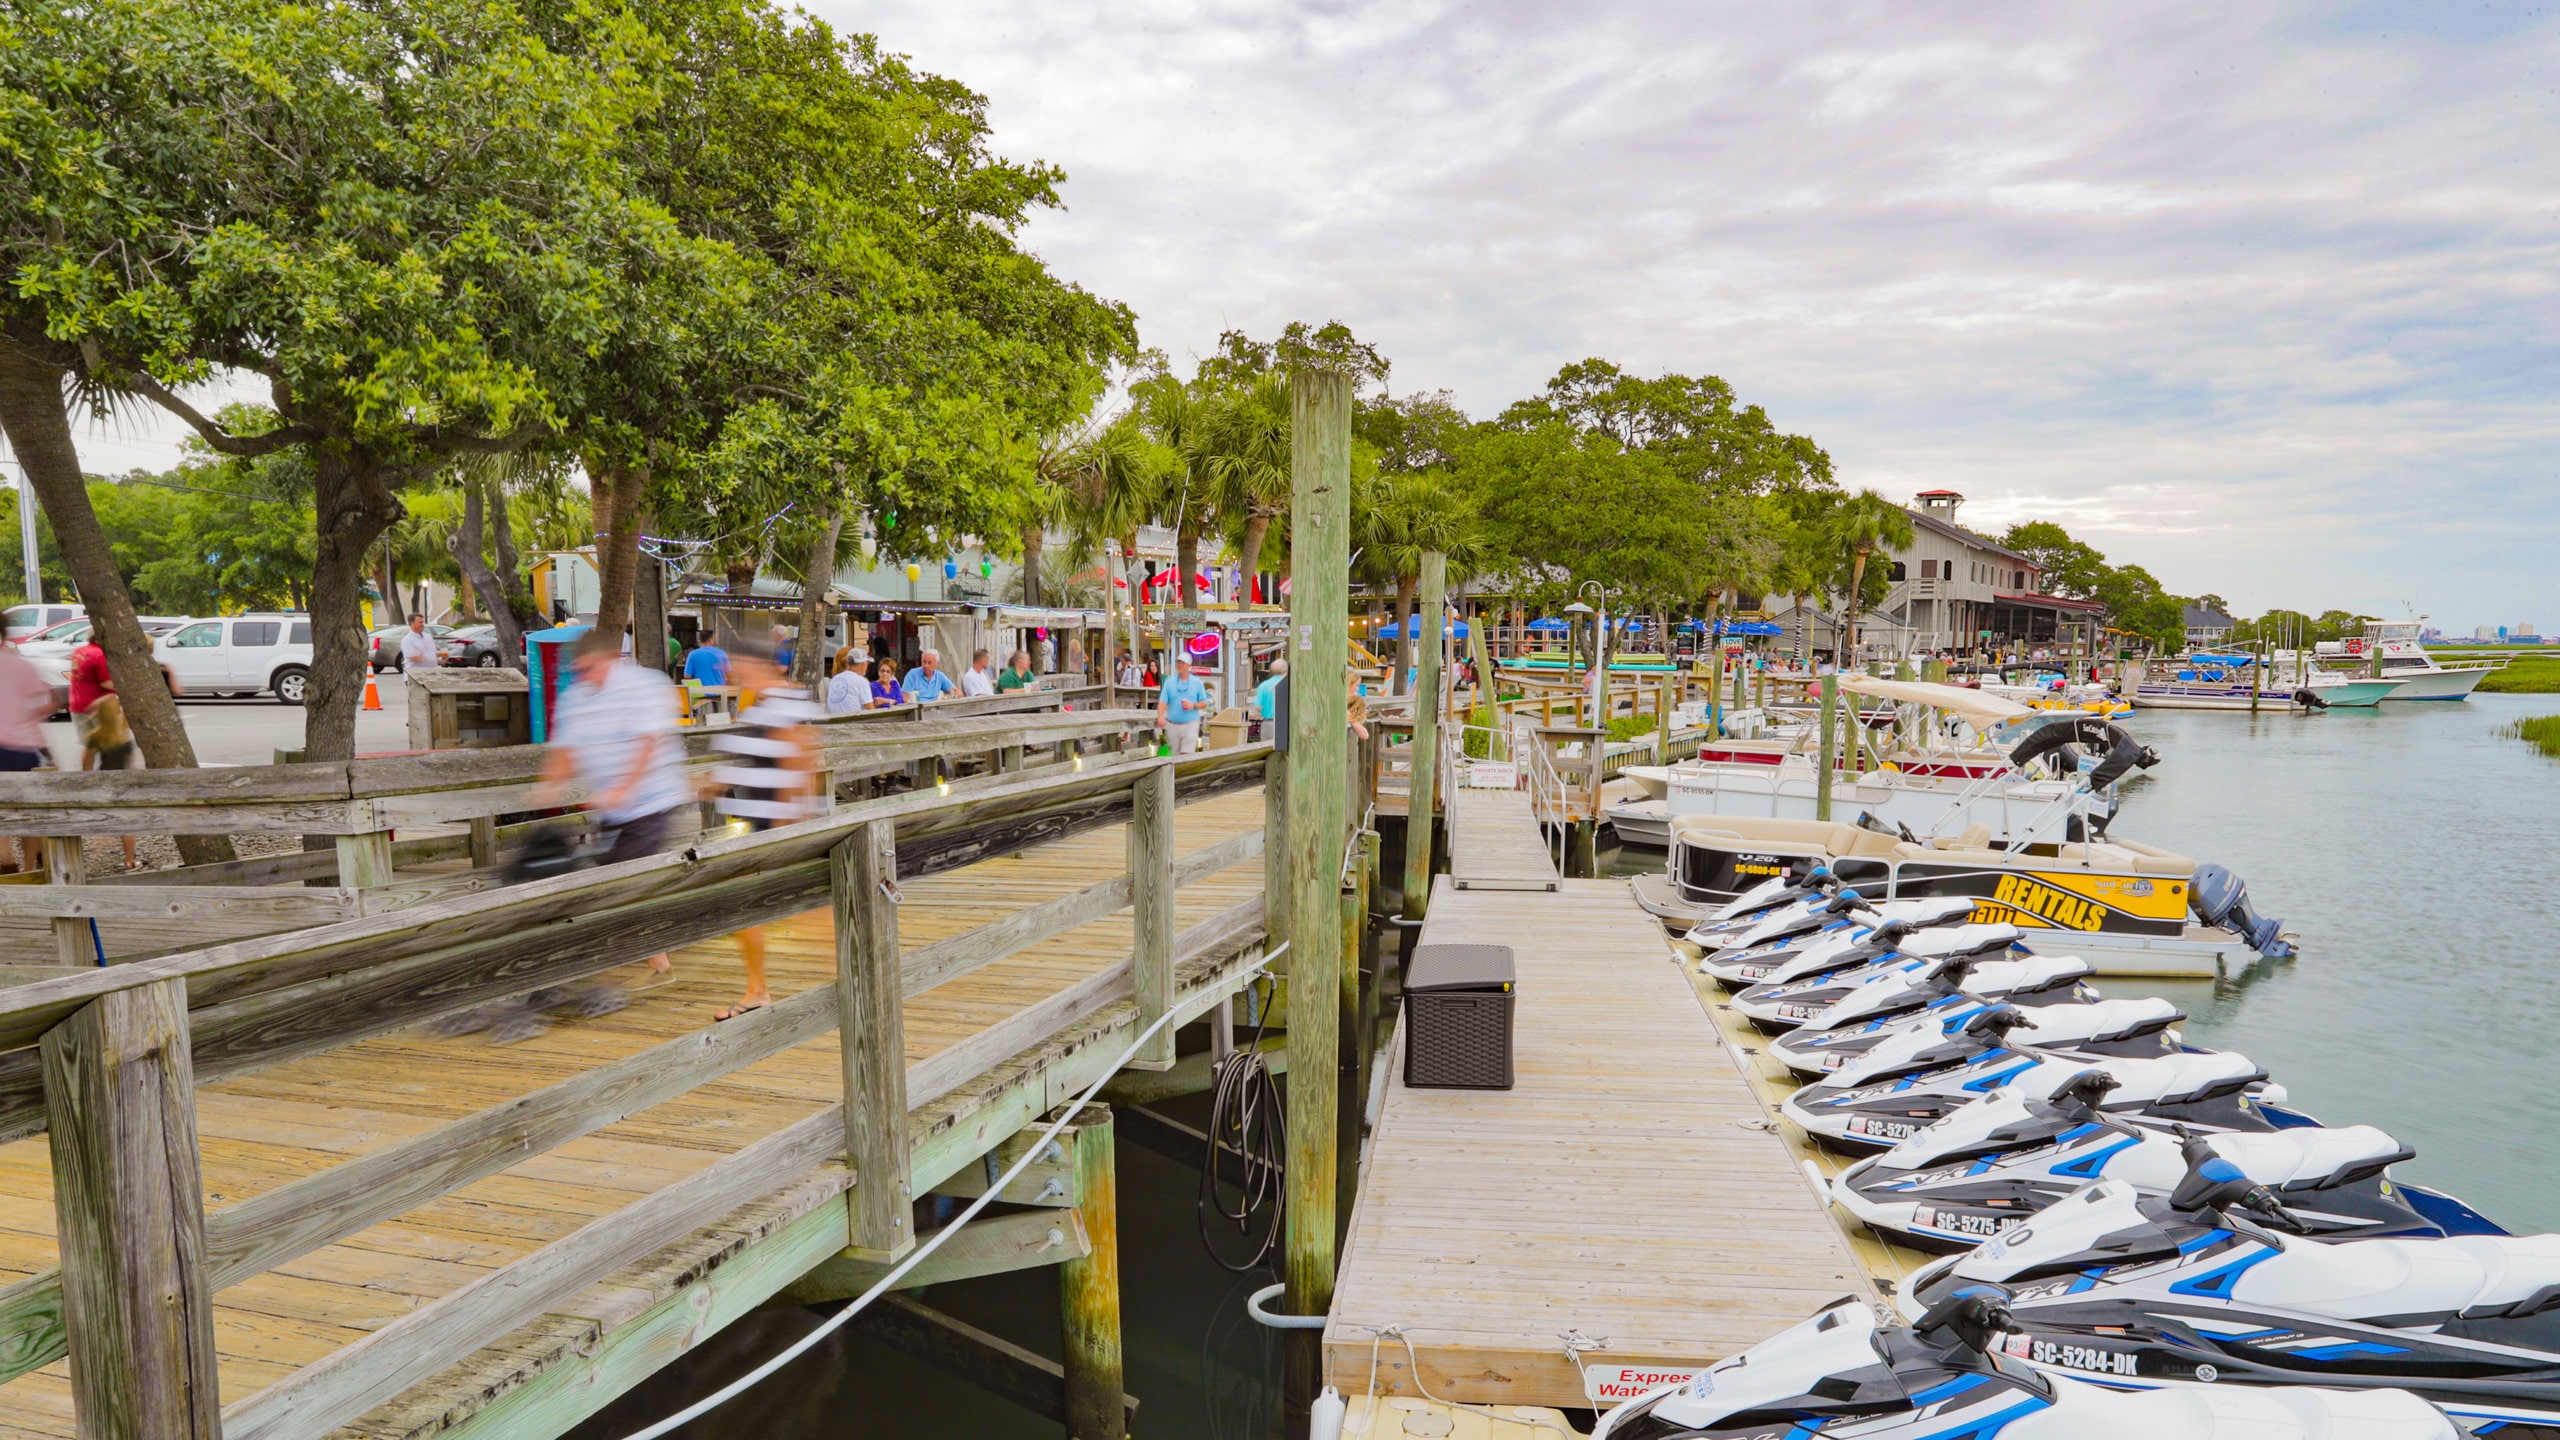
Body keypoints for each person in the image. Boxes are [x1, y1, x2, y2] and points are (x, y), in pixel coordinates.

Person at [534, 628, 693, 993]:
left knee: (621, 884)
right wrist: (548, 785)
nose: (585, 676)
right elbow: (566, 749)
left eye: (590, 668)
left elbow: (648, 742)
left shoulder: (643, 685)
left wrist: (626, 787)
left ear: (610, 659)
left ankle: (622, 965)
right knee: (621, 883)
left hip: (652, 801)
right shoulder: (576, 697)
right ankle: (656, 963)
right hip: (611, 809)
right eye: (579, 671)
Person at [704, 641, 821, 1020]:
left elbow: (799, 762)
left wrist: (787, 828)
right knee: (755, 910)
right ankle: (757, 988)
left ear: (765, 666)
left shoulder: (780, 704)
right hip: (762, 827)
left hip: (774, 829)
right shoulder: (761, 705)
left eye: (738, 664)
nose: (732, 671)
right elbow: (757, 761)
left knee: (792, 912)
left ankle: (760, 989)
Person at [1157, 656, 1211, 753]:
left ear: (1189, 665)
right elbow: (1163, 701)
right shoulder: (1169, 683)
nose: (1180, 665)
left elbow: (1204, 703)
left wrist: (1192, 706)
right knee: (1174, 754)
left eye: (1183, 663)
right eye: (1178, 663)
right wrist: (1160, 716)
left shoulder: (1197, 683)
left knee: (1186, 753)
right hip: (1173, 724)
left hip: (1191, 724)